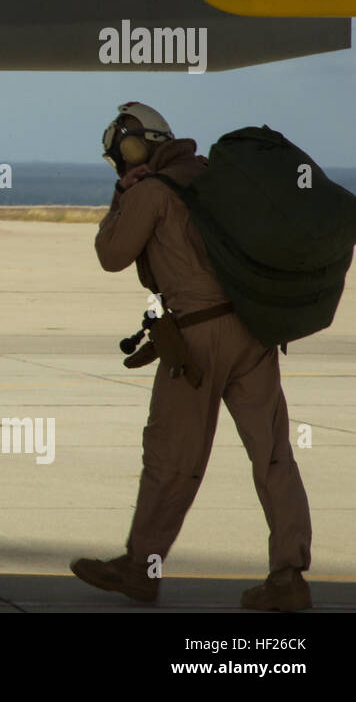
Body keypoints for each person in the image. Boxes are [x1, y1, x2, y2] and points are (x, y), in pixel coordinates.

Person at [72, 103, 313, 611]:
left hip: (196, 340)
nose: (120, 160)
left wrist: (122, 194)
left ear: (136, 146)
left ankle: (142, 568)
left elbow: (111, 255)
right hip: (254, 331)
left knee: (172, 459)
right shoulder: (219, 179)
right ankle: (288, 577)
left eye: (121, 151)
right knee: (273, 456)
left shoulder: (150, 191)